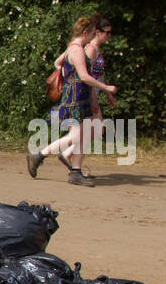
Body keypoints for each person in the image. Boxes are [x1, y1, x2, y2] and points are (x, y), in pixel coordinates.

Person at [27, 15, 116, 186]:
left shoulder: (72, 48)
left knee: (81, 135)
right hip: (76, 99)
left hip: (77, 97)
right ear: (85, 33)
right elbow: (84, 76)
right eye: (91, 34)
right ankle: (46, 158)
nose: (92, 38)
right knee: (78, 136)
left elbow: (57, 63)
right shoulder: (77, 50)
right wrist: (106, 89)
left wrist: (67, 75)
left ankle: (71, 168)